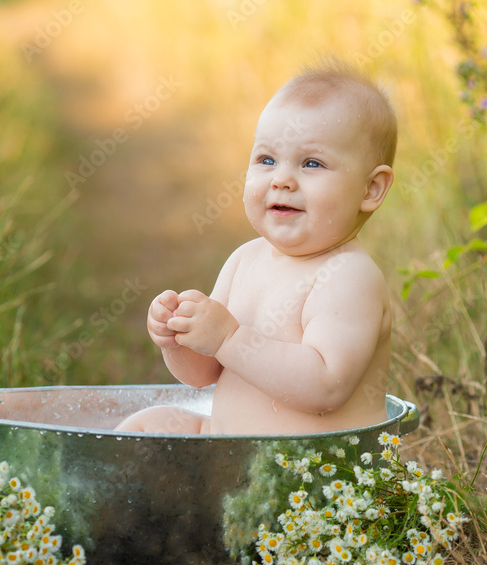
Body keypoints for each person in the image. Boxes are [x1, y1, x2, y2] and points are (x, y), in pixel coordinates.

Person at [117, 62, 396, 435]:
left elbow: (326, 387)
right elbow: (204, 374)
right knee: (145, 426)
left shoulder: (348, 277)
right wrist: (180, 339)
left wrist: (230, 338)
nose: (281, 179)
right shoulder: (244, 260)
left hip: (309, 469)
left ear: (370, 189)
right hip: (230, 453)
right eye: (267, 159)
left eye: (312, 163)